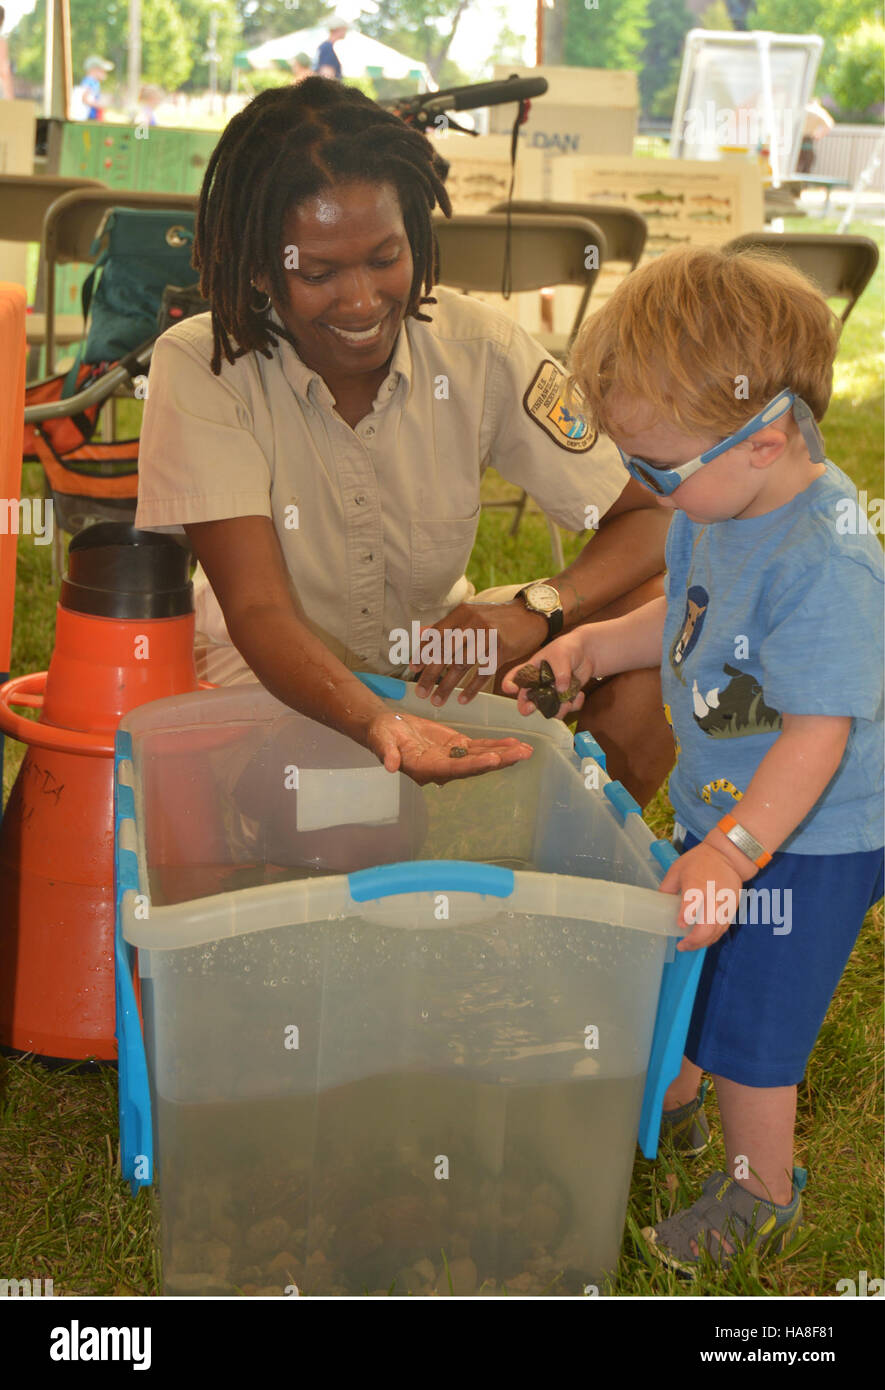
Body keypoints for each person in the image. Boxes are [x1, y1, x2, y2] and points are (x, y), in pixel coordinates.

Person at [502, 244, 884, 1275]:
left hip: (809, 833)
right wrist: (589, 642)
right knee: (677, 951)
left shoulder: (828, 561)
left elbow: (819, 733)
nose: (640, 484)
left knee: (758, 1023)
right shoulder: (714, 508)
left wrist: (734, 852)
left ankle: (763, 1190)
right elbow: (684, 611)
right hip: (726, 809)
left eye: (655, 466)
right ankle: (663, 1097)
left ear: (766, 441)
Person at [135, 78, 672, 795]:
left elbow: (651, 516)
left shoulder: (479, 346)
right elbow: (259, 610)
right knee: (349, 835)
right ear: (262, 267)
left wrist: (536, 607)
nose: (361, 301)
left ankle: (588, 869)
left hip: (440, 665)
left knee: (658, 613)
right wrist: (378, 727)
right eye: (319, 272)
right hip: (269, 680)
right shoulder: (202, 365)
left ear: (417, 234)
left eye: (385, 258)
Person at [71, 54, 113, 121]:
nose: (105, 74)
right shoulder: (89, 81)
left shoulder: (95, 83)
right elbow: (84, 99)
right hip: (87, 117)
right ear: (94, 70)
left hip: (93, 117)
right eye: (103, 71)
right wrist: (99, 105)